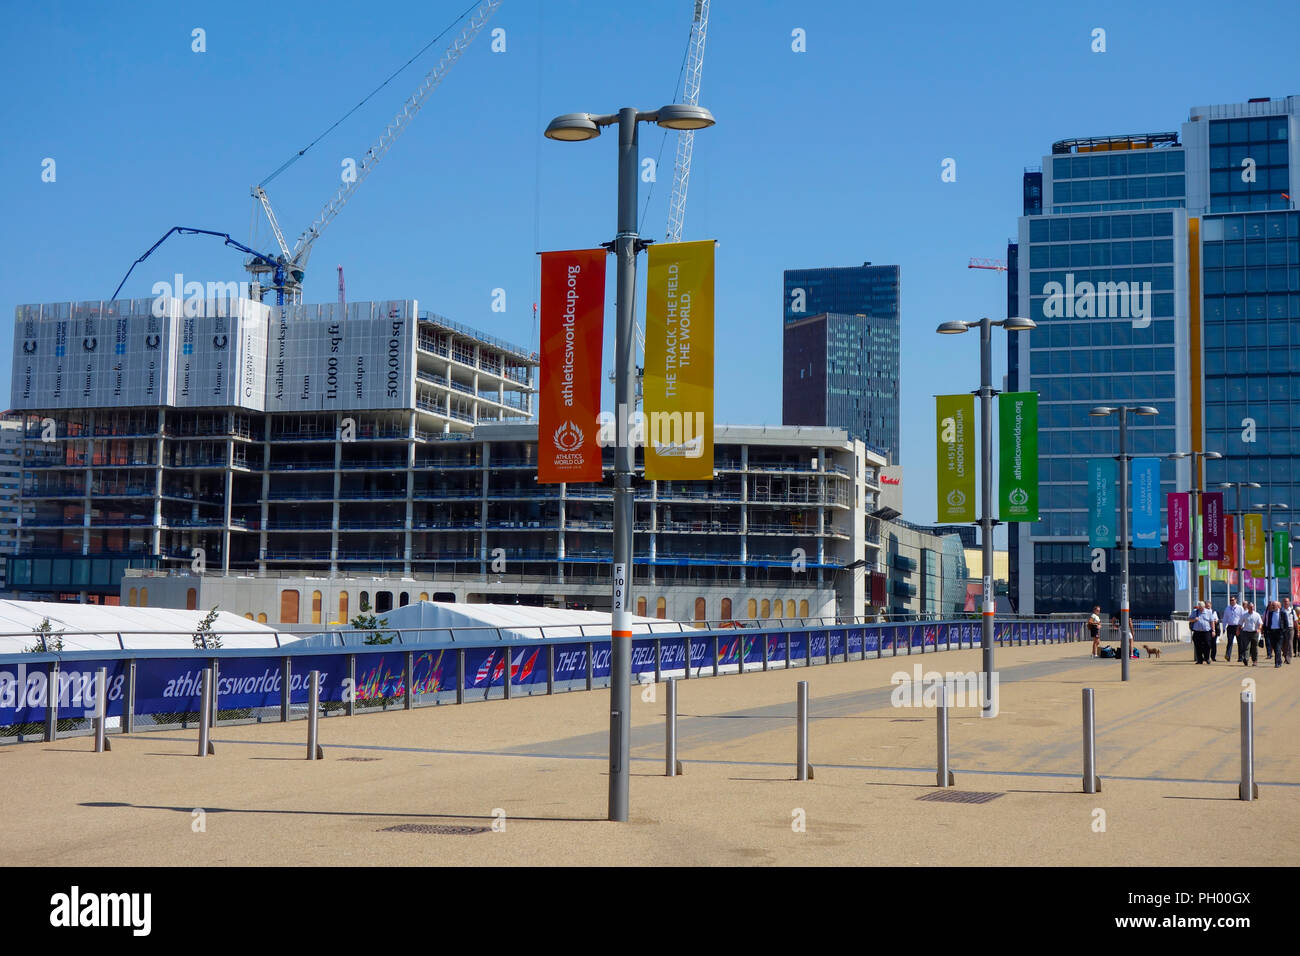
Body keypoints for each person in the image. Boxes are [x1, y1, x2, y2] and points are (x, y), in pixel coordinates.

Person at [1263, 600, 1288, 669]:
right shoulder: (1270, 613)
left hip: (1279, 632)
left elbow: (1286, 624)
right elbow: (1268, 623)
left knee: (1278, 647)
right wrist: (1267, 630)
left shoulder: (1282, 613)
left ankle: (1276, 663)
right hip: (1272, 632)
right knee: (1274, 647)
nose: (1272, 606)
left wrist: (1283, 631)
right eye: (1272, 605)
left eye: (1274, 605)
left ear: (1278, 606)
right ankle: (1279, 661)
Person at [1221, 595, 1244, 663]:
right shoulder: (1227, 608)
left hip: (1238, 627)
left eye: (1233, 600)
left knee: (1240, 643)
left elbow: (1243, 618)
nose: (1232, 601)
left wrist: (1242, 625)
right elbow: (1225, 618)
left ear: (1236, 600)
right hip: (1230, 626)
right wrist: (1224, 627)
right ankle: (1228, 655)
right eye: (1230, 600)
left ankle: (1240, 657)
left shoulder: (1240, 608)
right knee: (1230, 642)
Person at [1239, 601, 1262, 666]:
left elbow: (1260, 623)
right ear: (1248, 607)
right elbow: (1240, 623)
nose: (1251, 608)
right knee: (1246, 646)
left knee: (1254, 647)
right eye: (1250, 607)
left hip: (1254, 633)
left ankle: (1255, 661)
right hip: (1246, 633)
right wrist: (1238, 630)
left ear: (1254, 607)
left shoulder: (1257, 615)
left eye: (1252, 607)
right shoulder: (1244, 615)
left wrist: (1259, 629)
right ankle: (1246, 659)